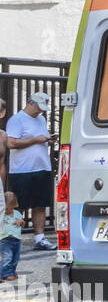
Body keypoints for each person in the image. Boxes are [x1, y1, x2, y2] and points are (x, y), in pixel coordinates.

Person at [6, 92, 54, 251]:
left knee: (40, 204)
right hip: (22, 170)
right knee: (17, 205)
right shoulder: (16, 120)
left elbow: (40, 138)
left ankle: (40, 238)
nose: (41, 111)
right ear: (31, 103)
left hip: (42, 167)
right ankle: (10, 238)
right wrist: (35, 140)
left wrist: (48, 140)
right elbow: (11, 143)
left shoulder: (41, 119)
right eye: (39, 107)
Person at [0, 191, 20, 282]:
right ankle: (6, 274)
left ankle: (12, 272)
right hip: (5, 239)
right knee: (7, 257)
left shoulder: (17, 214)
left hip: (17, 239)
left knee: (15, 257)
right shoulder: (2, 214)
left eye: (9, 209)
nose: (7, 211)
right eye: (6, 208)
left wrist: (21, 222)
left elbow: (23, 222)